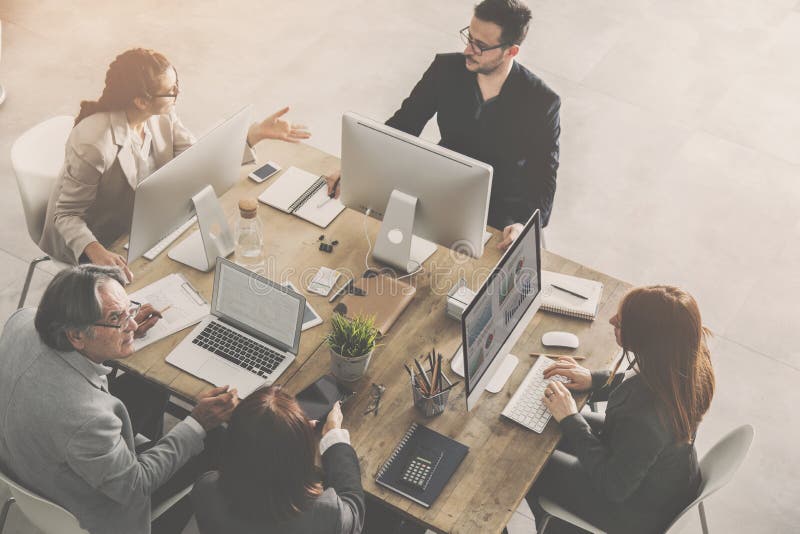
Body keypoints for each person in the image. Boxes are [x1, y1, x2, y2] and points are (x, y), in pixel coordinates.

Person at [0, 265, 238, 534]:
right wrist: (197, 422)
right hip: (88, 506)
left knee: (149, 387)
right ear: (77, 335)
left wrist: (122, 333)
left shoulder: (22, 320)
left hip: (26, 456)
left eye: (129, 312)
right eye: (116, 318)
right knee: (216, 437)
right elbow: (136, 484)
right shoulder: (88, 418)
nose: (132, 325)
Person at [39, 48, 312, 279]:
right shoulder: (94, 144)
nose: (177, 93)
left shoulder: (163, 115)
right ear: (141, 101)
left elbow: (195, 160)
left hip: (143, 219)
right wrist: (97, 251)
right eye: (171, 91)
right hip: (97, 237)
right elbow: (67, 215)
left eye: (176, 84)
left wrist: (252, 136)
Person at [525, 285, 716, 533]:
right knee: (555, 426)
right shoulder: (685, 361)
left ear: (645, 339)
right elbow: (643, 378)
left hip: (634, 511)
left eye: (621, 323)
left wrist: (571, 418)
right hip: (663, 479)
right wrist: (594, 380)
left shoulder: (647, 421)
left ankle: (556, 526)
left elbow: (613, 486)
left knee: (528, 469)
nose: (612, 320)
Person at [383, 0, 560, 251]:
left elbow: (544, 177)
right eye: (470, 38)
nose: (468, 50)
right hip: (442, 187)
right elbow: (404, 124)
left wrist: (523, 224)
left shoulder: (542, 101)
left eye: (481, 46)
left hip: (501, 212)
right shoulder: (445, 69)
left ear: (511, 51)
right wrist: (358, 166)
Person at [192, 387, 365, 534]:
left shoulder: (206, 489)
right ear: (301, 452)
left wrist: (291, 433)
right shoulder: (326, 513)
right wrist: (334, 437)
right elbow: (354, 511)